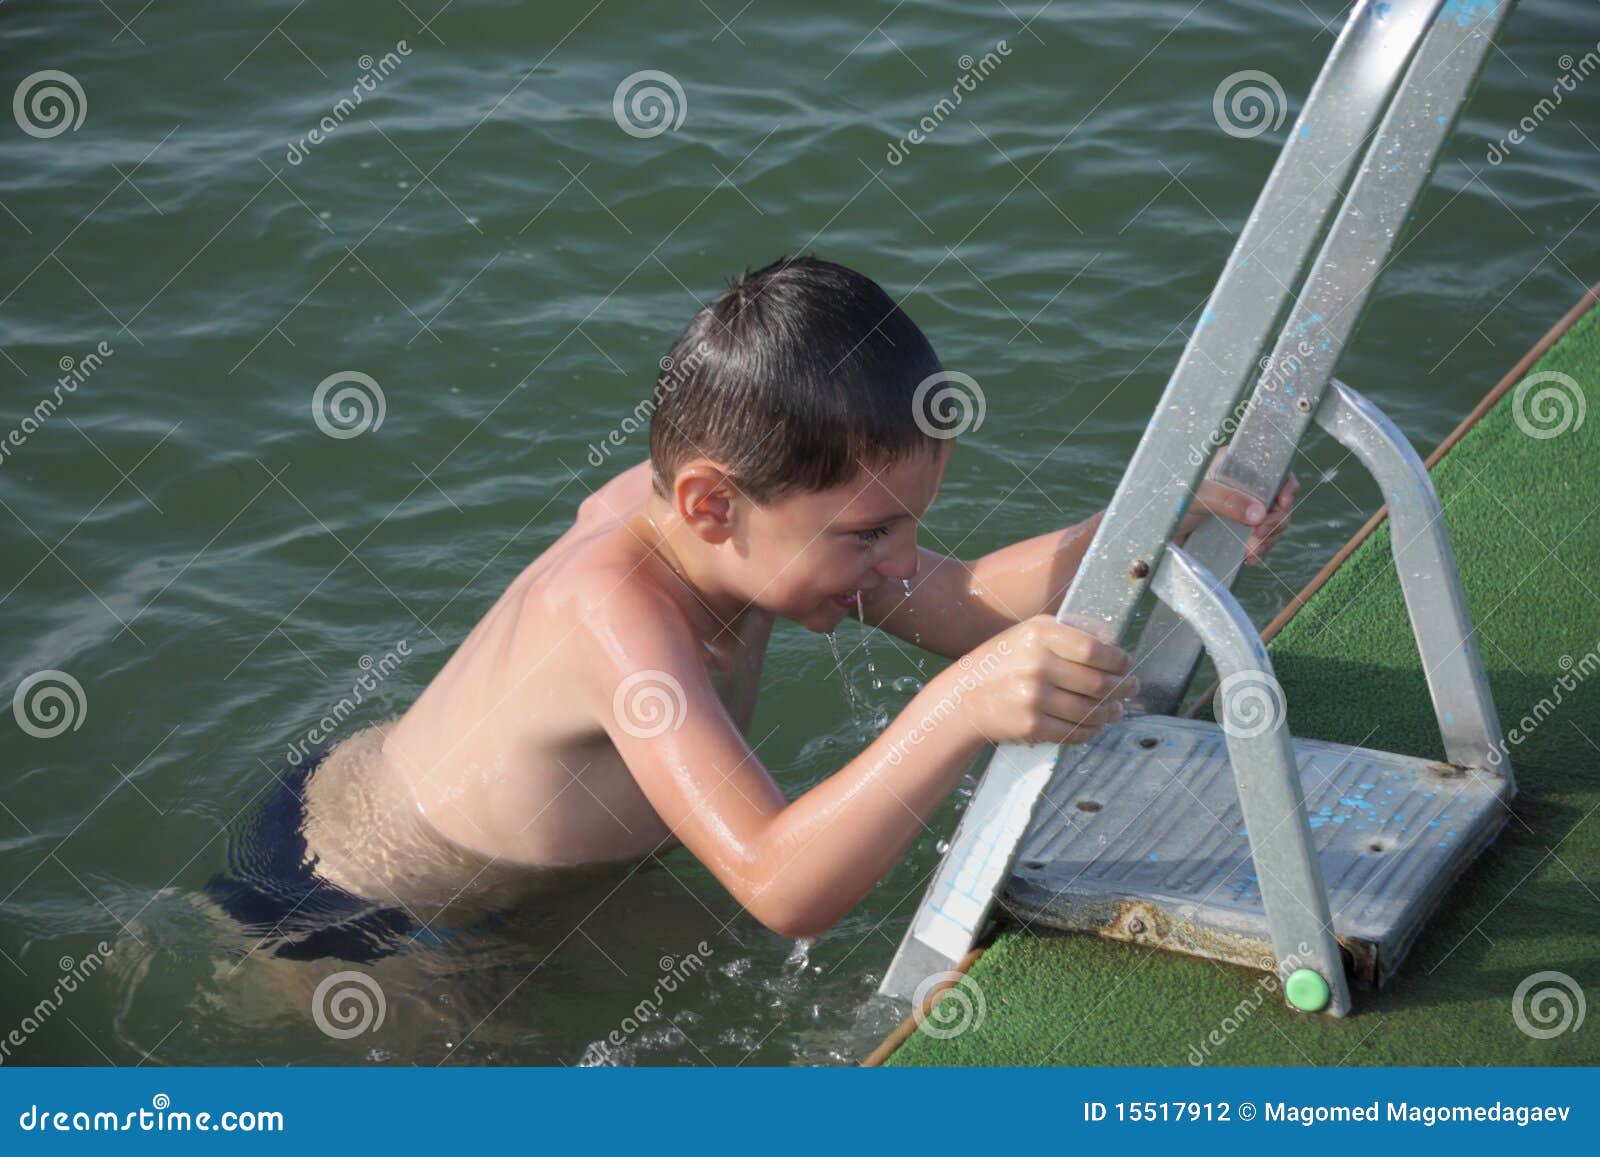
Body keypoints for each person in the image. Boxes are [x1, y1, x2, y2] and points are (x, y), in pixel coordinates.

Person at [210, 255, 1294, 960]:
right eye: (869, 534)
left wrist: (1152, 522)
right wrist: (956, 707)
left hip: (486, 867)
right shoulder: (611, 614)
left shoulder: (736, 540)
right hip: (356, 912)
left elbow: (958, 601)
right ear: (711, 503)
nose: (897, 562)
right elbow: (781, 882)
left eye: (909, 523)